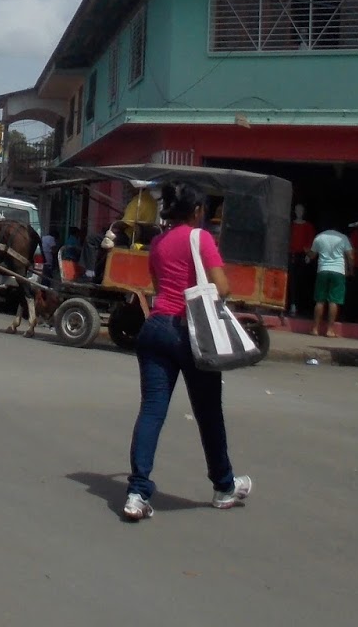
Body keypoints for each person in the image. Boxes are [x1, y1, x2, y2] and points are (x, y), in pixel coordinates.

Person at [122, 181, 251, 522]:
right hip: (191, 334)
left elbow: (157, 286)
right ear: (196, 212)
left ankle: (136, 492)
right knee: (208, 413)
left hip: (155, 329)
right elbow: (221, 287)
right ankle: (224, 486)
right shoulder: (201, 238)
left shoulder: (159, 242)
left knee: (151, 412)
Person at [309, 223, 353, 337]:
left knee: (320, 300)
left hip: (322, 270)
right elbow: (350, 256)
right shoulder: (343, 238)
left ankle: (315, 329)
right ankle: (330, 330)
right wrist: (350, 270)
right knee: (333, 301)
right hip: (338, 271)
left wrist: (307, 253)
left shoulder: (319, 237)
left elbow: (312, 255)